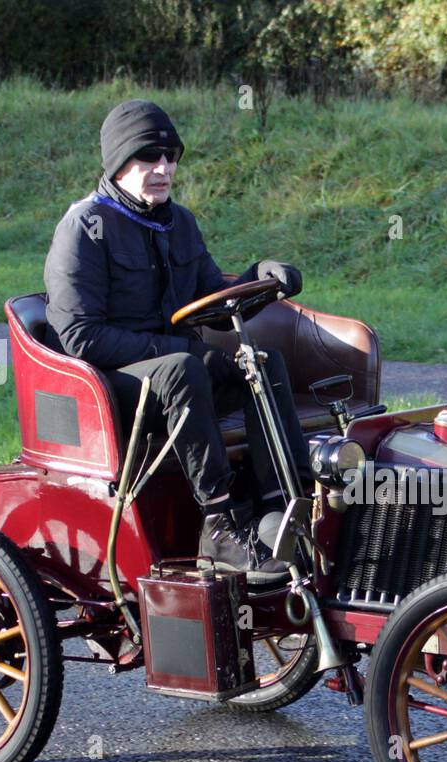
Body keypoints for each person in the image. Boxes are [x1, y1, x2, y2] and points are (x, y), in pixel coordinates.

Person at [43, 99, 313, 579]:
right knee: (185, 368)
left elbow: (213, 296)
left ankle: (282, 513)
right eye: (149, 158)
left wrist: (261, 277)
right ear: (119, 164)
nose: (163, 169)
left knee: (262, 365)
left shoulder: (179, 222)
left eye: (170, 159)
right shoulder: (84, 229)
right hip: (107, 384)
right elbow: (80, 338)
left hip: (174, 374)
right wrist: (175, 351)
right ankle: (218, 527)